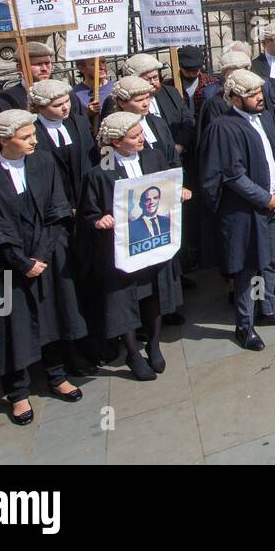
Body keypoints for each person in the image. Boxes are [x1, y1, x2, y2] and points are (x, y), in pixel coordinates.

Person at [0, 110, 87, 424]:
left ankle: (56, 374)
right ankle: (18, 393)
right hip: (7, 265)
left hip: (45, 255)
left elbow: (57, 209)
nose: (34, 141)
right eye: (26, 137)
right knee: (13, 330)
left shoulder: (44, 162)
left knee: (53, 318)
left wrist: (41, 255)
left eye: (33, 134)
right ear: (4, 141)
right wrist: (21, 262)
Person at [78, 112, 186, 380]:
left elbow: (167, 189)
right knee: (125, 299)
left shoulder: (153, 157)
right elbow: (87, 212)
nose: (142, 138)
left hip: (154, 242)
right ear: (116, 142)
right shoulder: (99, 173)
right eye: (135, 136)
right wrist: (99, 220)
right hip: (121, 247)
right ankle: (133, 353)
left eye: (141, 133)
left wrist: (180, 192)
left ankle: (154, 342)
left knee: (154, 293)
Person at [199, 69, 275, 352]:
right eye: (252, 95)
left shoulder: (265, 117)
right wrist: (263, 198)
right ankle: (245, 324)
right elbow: (232, 175)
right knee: (247, 267)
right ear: (233, 98)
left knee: (267, 260)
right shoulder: (223, 127)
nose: (259, 98)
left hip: (271, 205)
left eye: (260, 93)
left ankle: (266, 308)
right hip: (244, 211)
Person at [0, 41, 85, 135]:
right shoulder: (2, 101)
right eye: (38, 64)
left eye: (47, 63)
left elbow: (80, 126)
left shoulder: (66, 94)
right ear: (20, 67)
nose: (44, 68)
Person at [29, 78, 96, 210]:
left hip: (86, 200)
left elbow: (93, 158)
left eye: (67, 101)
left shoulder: (81, 123)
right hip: (55, 206)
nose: (66, 108)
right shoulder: (33, 132)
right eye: (57, 105)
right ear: (39, 107)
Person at [111, 76, 180, 169]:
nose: (146, 103)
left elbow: (173, 157)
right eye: (139, 100)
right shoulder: (112, 130)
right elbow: (107, 166)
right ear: (122, 103)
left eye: (147, 98)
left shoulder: (159, 122)